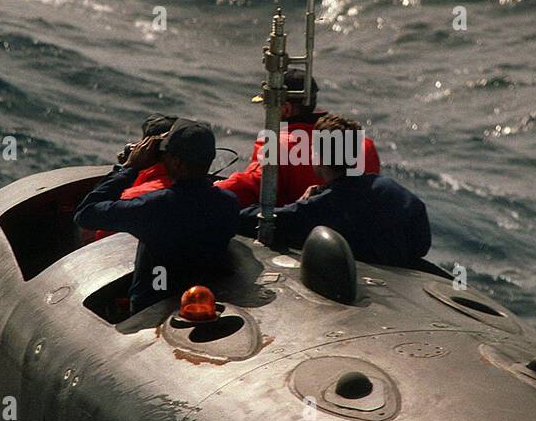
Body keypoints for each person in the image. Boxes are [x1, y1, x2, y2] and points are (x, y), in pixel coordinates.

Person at [75, 119, 239, 313]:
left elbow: (86, 214)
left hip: (154, 299)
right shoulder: (228, 202)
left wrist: (129, 168)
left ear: (177, 163)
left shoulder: (154, 206)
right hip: (199, 295)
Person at [237, 114, 430, 267]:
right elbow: (422, 244)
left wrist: (299, 204)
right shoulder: (391, 189)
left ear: (319, 157)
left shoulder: (322, 206)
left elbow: (262, 221)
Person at [215, 69, 381, 209]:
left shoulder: (277, 145)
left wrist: (210, 189)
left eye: (268, 105)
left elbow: (248, 189)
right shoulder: (363, 144)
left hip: (303, 235)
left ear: (286, 109)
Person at [81, 113, 177, 244]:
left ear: (146, 149)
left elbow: (90, 224)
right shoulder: (201, 190)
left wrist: (127, 168)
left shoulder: (135, 197)